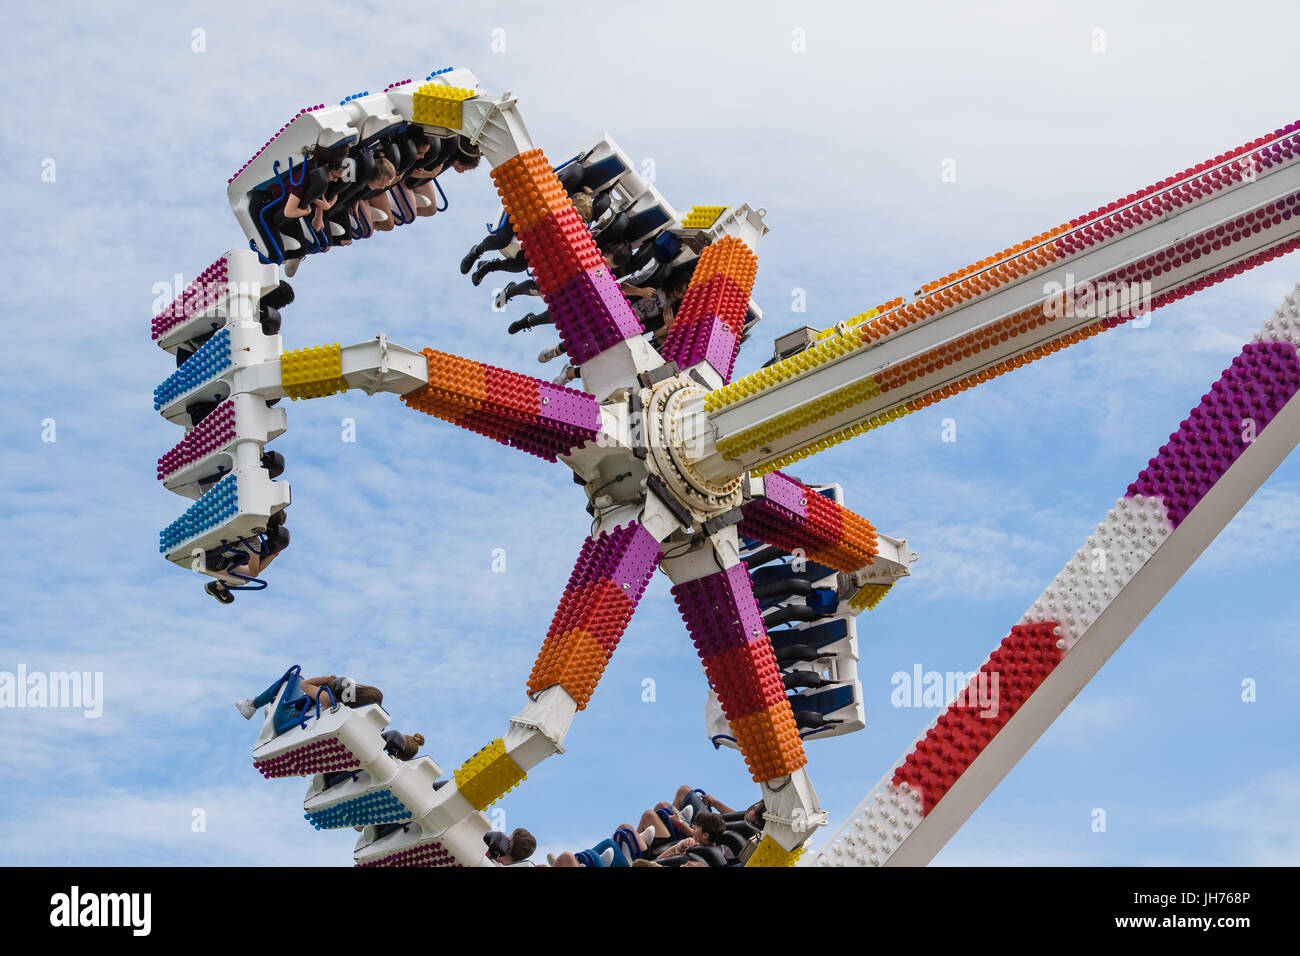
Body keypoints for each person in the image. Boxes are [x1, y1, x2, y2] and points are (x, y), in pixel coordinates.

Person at [234, 666, 382, 735]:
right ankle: (269, 711)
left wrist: (327, 680)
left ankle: (251, 706)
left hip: (286, 722)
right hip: (304, 732)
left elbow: (304, 685)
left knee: (296, 675)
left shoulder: (330, 701)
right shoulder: (345, 717)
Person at [205, 508, 289, 604]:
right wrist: (274, 552)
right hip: (213, 561)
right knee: (249, 576)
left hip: (208, 545)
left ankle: (220, 583)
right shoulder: (253, 542)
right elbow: (254, 570)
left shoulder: (239, 519)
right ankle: (218, 586)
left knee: (244, 562)